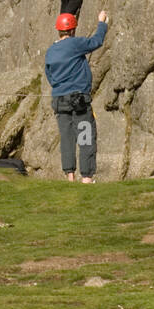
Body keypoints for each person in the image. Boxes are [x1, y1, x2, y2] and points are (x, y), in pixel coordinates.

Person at [45, 11, 108, 182]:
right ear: (72, 30)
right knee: (85, 134)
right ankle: (86, 177)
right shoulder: (75, 44)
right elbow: (97, 41)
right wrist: (102, 22)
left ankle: (69, 176)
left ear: (59, 30)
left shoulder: (50, 51)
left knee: (66, 137)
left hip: (59, 100)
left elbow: (49, 76)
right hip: (79, 99)